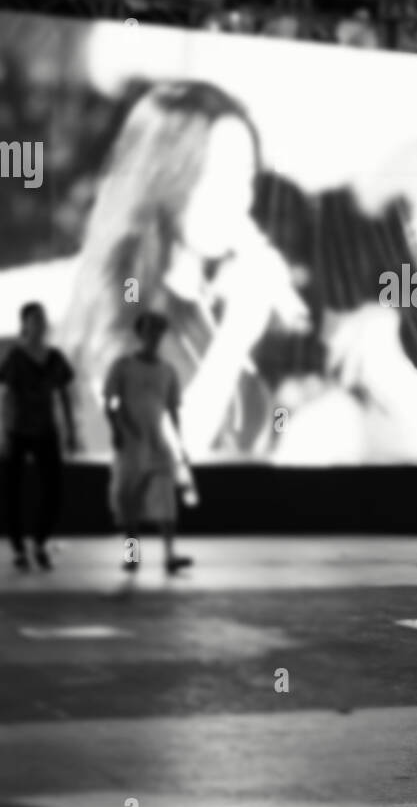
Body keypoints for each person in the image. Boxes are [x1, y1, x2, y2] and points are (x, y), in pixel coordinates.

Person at [62, 81, 310, 459]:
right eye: (211, 174)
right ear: (166, 177)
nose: (234, 198)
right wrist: (237, 332)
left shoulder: (208, 296)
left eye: (242, 175)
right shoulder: (118, 298)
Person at [104, 310, 192, 575]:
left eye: (158, 332)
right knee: (128, 501)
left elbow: (173, 410)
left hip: (157, 442)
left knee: (165, 498)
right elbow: (111, 402)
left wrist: (180, 444)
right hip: (131, 444)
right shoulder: (123, 366)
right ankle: (132, 556)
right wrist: (118, 429)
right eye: (150, 331)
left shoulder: (167, 371)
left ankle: (169, 555)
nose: (154, 336)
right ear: (140, 334)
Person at [0, 302, 77, 570]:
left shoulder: (55, 357)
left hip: (46, 430)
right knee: (13, 492)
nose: (40, 323)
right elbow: (6, 394)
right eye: (34, 319)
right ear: (25, 324)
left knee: (54, 490)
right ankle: (19, 548)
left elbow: (65, 394)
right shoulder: (15, 357)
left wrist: (70, 429)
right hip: (18, 431)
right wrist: (4, 432)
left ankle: (40, 541)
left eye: (42, 319)